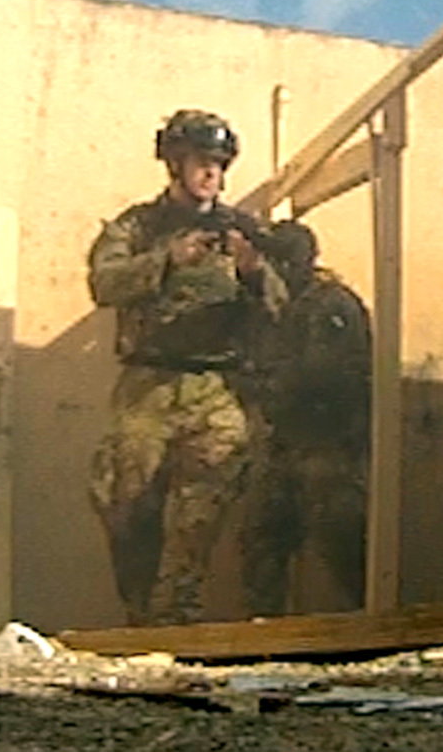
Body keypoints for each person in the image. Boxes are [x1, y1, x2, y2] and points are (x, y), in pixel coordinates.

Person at [86, 110, 286, 626]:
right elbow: (103, 285)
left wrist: (254, 272)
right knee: (127, 504)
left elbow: (282, 308)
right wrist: (168, 260)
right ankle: (140, 612)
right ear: (174, 164)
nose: (211, 175)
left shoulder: (240, 229)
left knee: (202, 507)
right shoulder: (138, 226)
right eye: (202, 163)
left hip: (216, 387)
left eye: (220, 165)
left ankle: (178, 613)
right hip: (148, 385)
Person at [240, 219, 370, 616]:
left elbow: (323, 374)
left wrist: (266, 383)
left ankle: (366, 619)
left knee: (341, 537)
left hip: (330, 445)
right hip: (287, 442)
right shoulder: (272, 305)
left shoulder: (331, 304)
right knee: (260, 537)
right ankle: (264, 634)